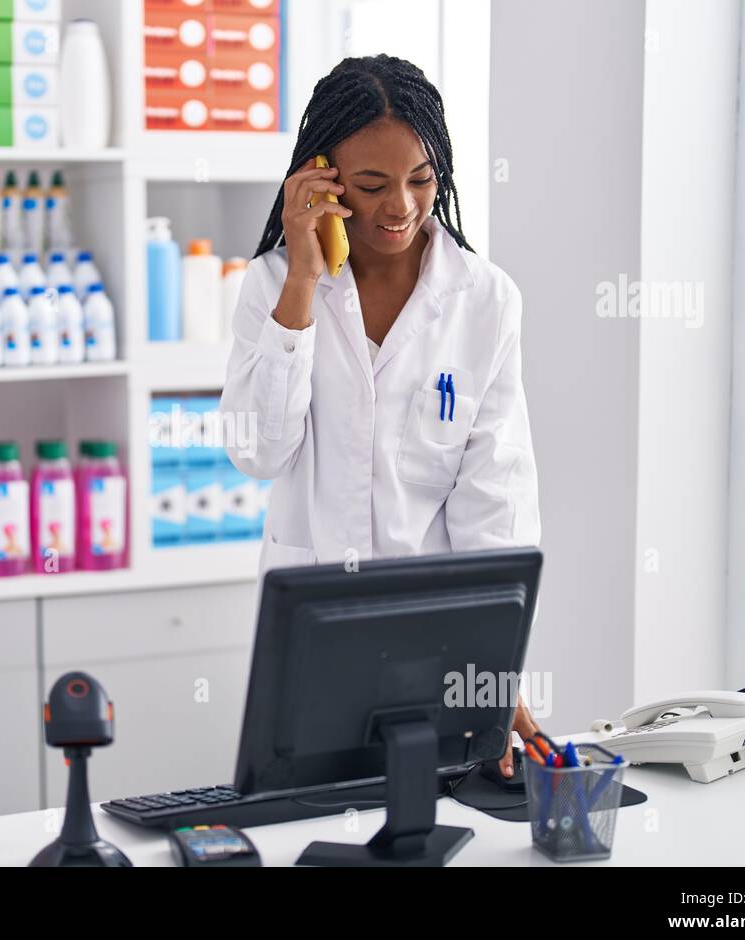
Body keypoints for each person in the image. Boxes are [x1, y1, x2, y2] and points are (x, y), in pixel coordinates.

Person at [221, 55, 543, 777]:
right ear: (322, 180)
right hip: (310, 633)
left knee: (434, 822)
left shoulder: (486, 302)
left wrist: (499, 669)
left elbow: (497, 502)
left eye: (421, 179)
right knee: (300, 818)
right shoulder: (273, 286)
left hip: (436, 641)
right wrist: (303, 281)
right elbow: (257, 451)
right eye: (371, 185)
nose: (400, 205)